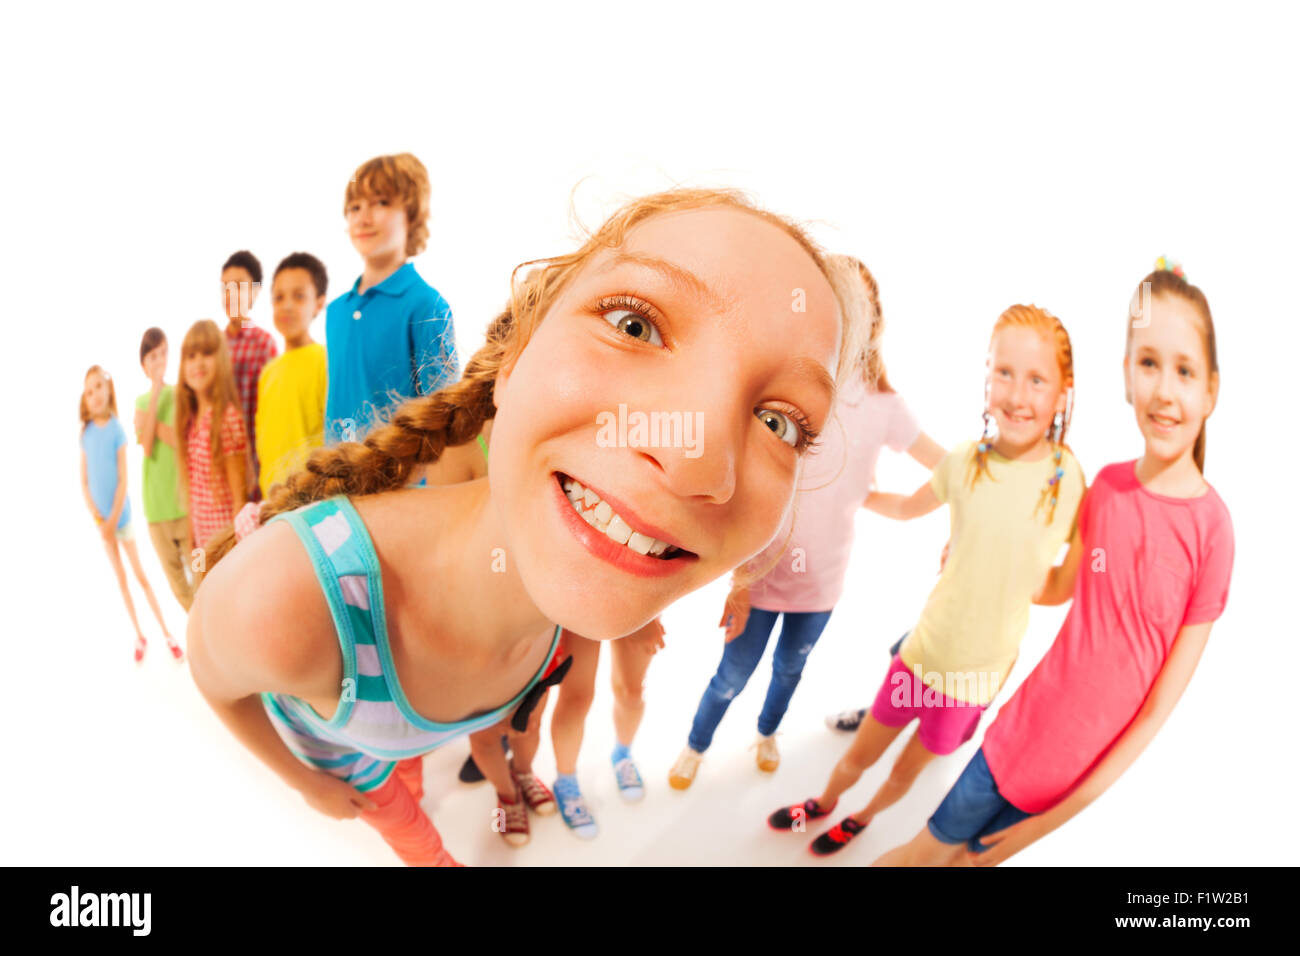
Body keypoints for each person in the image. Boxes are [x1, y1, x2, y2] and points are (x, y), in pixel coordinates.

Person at [187, 188, 852, 866]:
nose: (696, 464)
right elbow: (215, 683)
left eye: (780, 422)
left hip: (408, 722)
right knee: (415, 838)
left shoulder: (573, 570)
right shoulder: (279, 603)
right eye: (634, 325)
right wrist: (306, 785)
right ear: (515, 357)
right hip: (348, 762)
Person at [873, 260, 1232, 866]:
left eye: (1185, 370)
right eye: (1148, 364)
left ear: (1211, 389)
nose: (1165, 390)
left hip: (1071, 780)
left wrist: (1051, 822)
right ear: (1125, 375)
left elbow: (1151, 716)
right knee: (920, 857)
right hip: (1015, 737)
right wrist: (982, 552)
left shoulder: (1213, 532)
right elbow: (1057, 586)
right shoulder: (1106, 491)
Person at [768, 303, 1085, 857]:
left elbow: (1052, 588)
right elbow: (907, 508)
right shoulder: (965, 463)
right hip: (923, 657)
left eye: (1037, 380)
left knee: (904, 774)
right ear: (987, 377)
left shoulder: (1069, 481)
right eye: (1004, 373)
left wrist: (1070, 560)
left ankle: (862, 818)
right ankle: (822, 804)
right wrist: (857, 493)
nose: (1016, 393)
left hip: (974, 685)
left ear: (1062, 393)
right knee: (859, 756)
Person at [81, 365, 181, 663]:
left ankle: (167, 632)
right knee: (121, 580)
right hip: (103, 526)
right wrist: (100, 522)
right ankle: (140, 635)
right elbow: (85, 482)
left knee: (140, 576)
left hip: (120, 521)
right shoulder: (85, 434)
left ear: (108, 389)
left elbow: (123, 480)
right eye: (89, 391)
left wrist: (112, 520)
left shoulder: (116, 429)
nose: (95, 395)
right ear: (84, 400)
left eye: (99, 387)